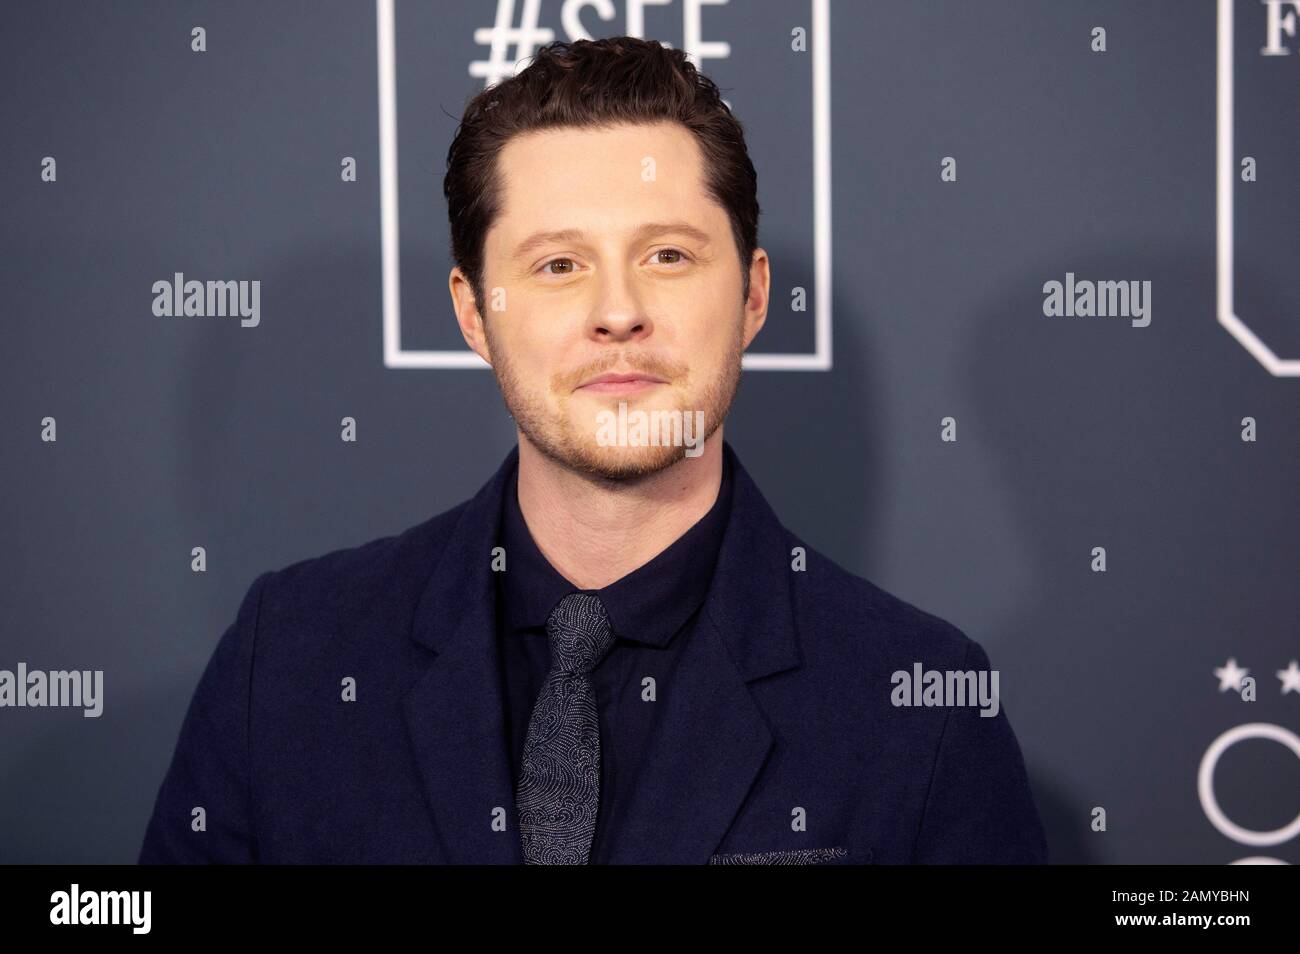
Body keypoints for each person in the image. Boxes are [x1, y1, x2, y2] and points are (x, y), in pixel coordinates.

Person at [139, 36, 1047, 865]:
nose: (619, 312)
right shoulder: (290, 661)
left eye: (667, 256)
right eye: (559, 265)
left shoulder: (918, 708)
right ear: (472, 313)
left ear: (754, 297)